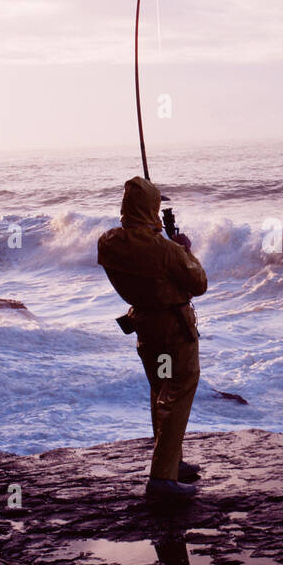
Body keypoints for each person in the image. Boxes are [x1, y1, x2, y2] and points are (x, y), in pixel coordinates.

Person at [97, 176, 207, 502]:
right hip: (174, 330)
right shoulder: (165, 250)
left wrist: (158, 236)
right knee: (179, 389)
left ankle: (170, 461)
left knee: (161, 390)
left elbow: (141, 254)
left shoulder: (109, 242)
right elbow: (198, 282)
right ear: (152, 208)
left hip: (145, 328)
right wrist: (184, 249)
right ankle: (162, 480)